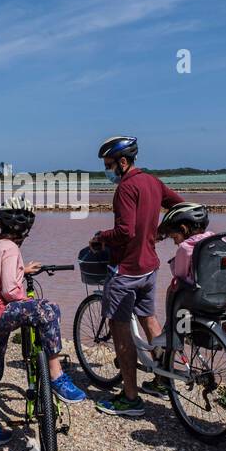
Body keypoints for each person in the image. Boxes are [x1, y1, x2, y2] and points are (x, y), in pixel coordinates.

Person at [0, 196, 86, 451]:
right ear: (26, 228)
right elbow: (10, 291)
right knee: (48, 309)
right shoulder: (12, 249)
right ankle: (56, 375)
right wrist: (26, 300)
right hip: (2, 311)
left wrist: (23, 270)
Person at [89, 135, 184, 417]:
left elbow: (125, 232)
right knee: (149, 319)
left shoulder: (126, 188)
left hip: (127, 270)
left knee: (121, 333)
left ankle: (130, 398)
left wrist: (101, 236)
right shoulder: (153, 182)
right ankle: (163, 380)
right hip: (149, 267)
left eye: (109, 165)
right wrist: (161, 232)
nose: (108, 171)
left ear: (122, 161)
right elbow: (180, 207)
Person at [159, 202, 214, 336]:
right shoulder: (214, 239)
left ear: (183, 229)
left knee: (174, 289)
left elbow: (180, 274)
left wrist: (173, 263)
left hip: (195, 297)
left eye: (174, 237)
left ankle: (172, 333)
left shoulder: (185, 248)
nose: (175, 242)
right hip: (217, 294)